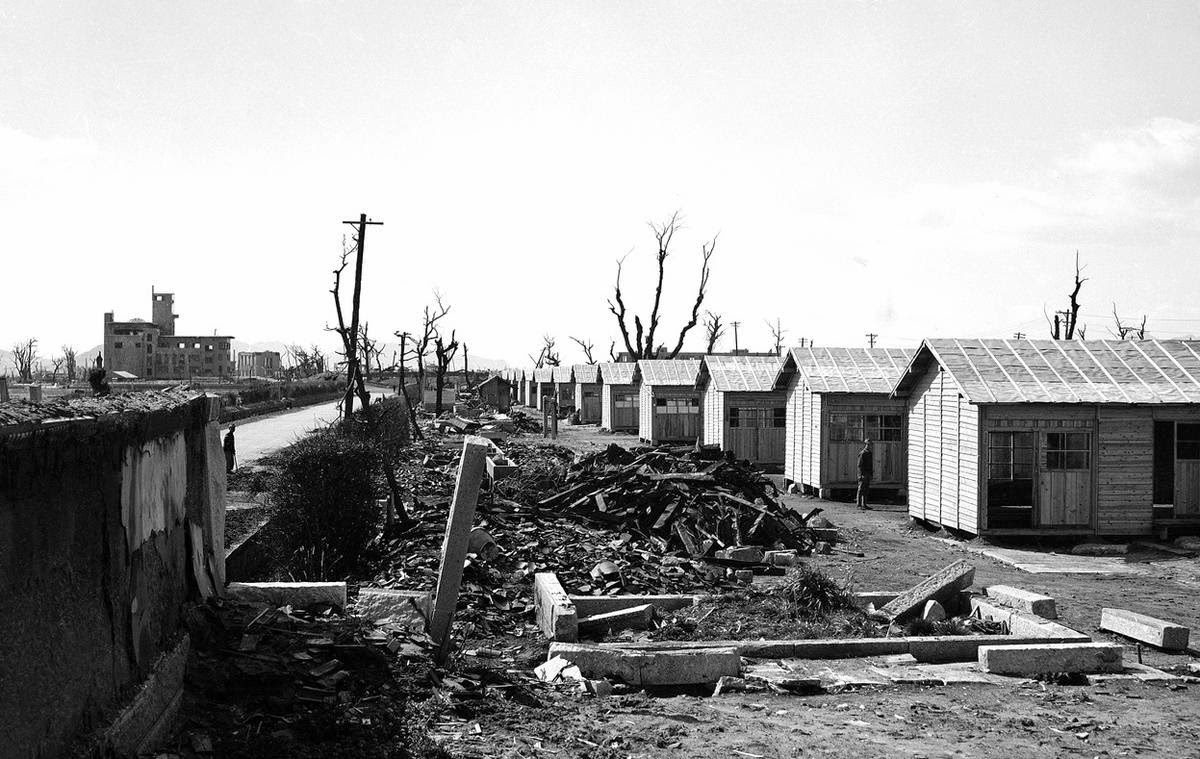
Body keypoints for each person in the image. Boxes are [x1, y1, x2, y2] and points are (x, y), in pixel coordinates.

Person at [856, 438, 873, 510]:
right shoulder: (863, 453)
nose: (869, 446)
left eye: (870, 445)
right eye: (868, 444)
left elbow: (871, 465)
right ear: (865, 445)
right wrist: (861, 475)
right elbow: (859, 465)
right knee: (861, 489)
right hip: (863, 474)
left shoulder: (869, 453)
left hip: (868, 473)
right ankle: (859, 504)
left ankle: (864, 504)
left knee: (866, 489)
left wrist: (871, 473)